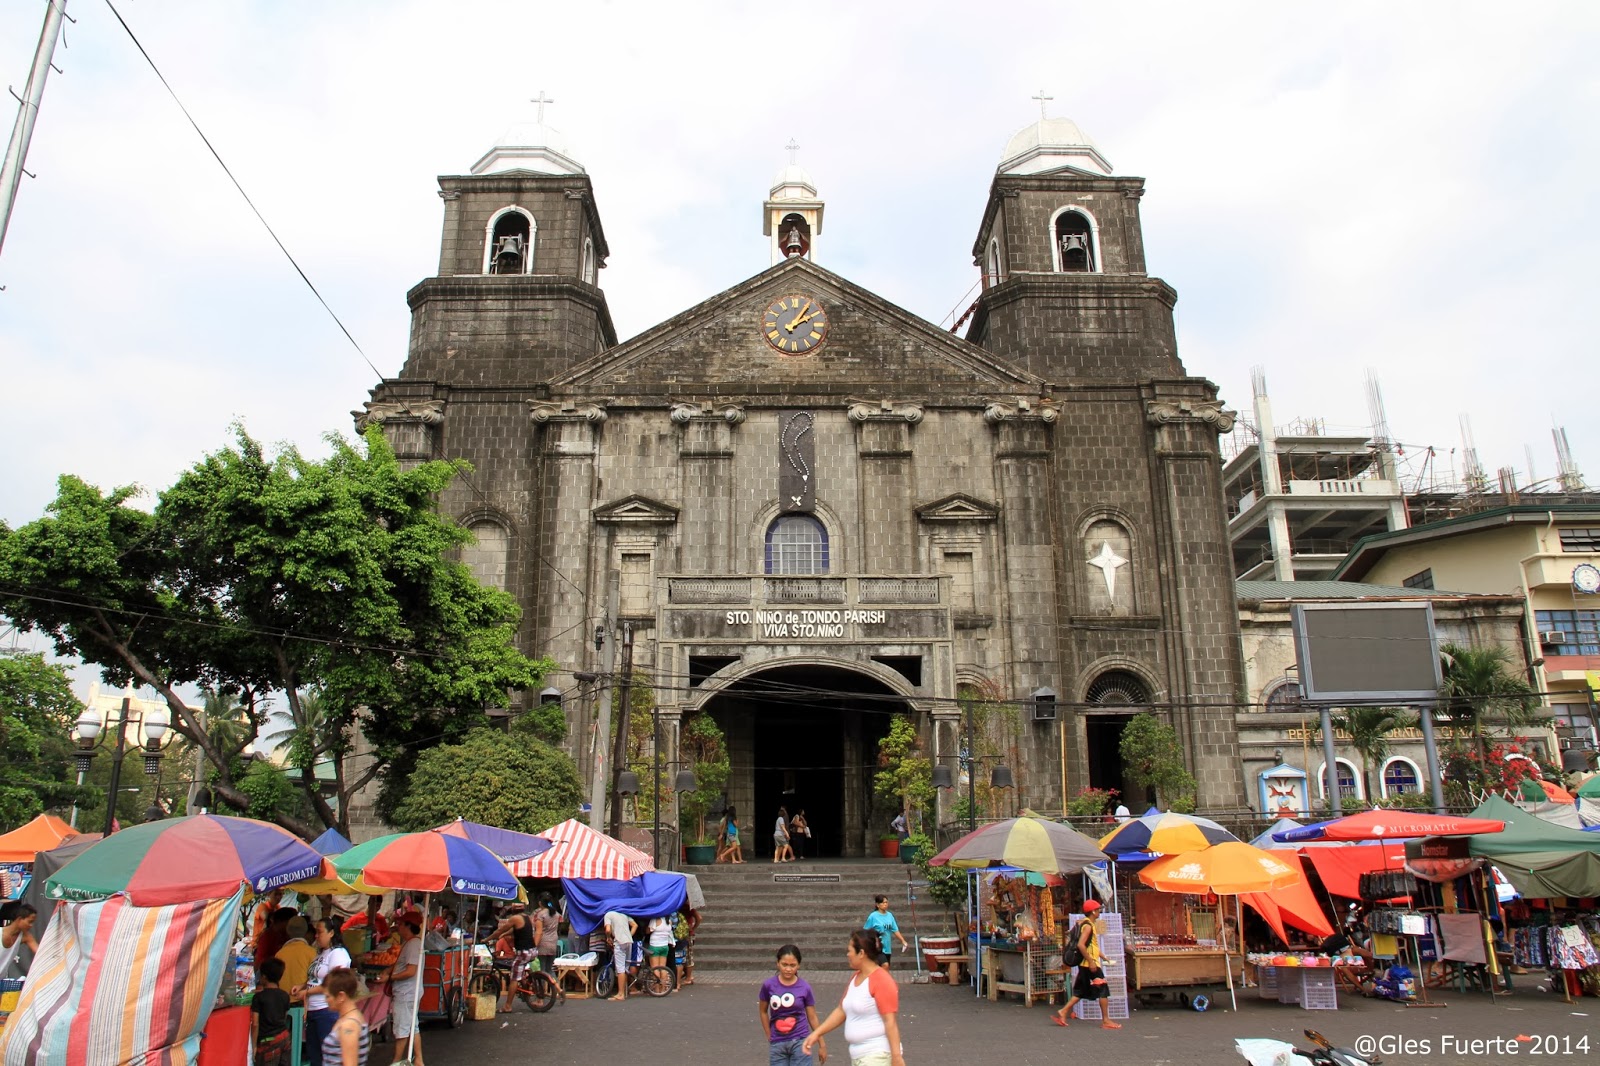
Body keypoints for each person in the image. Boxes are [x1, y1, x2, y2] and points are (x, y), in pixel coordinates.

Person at [802, 930, 902, 1066]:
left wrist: (896, 1058)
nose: (847, 955)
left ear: (861, 953)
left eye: (849, 951)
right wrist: (816, 1034)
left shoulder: (882, 980)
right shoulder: (855, 977)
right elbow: (841, 1010)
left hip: (877, 1055)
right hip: (859, 1056)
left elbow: (890, 1022)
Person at [1053, 899, 1120, 1030]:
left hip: (1086, 964)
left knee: (1080, 991)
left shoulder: (1086, 924)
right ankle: (1106, 1020)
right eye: (1098, 909)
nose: (1099, 911)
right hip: (1090, 965)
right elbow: (1081, 945)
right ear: (1093, 912)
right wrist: (1091, 961)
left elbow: (1091, 946)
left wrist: (1103, 957)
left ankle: (1063, 1011)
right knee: (1103, 990)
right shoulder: (1088, 926)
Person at [295, 918, 353, 1066]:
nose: (316, 936)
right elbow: (316, 978)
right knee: (315, 1056)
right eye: (315, 932)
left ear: (332, 933)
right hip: (313, 1011)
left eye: (320, 932)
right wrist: (302, 986)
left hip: (327, 1011)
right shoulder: (320, 954)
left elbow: (333, 983)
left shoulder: (338, 954)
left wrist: (307, 993)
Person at [760, 943, 824, 1066]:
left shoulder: (804, 987)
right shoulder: (768, 985)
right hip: (777, 1044)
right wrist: (769, 1035)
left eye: (792, 965)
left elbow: (812, 1017)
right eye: (784, 964)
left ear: (798, 965)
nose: (788, 969)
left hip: (800, 1042)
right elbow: (763, 1011)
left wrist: (822, 1044)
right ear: (778, 963)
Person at [384, 920, 424, 1066]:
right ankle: (419, 1060)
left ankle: (396, 1061)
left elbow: (410, 971)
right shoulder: (410, 943)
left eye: (401, 924)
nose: (398, 927)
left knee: (402, 1028)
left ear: (408, 926)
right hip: (410, 992)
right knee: (413, 1026)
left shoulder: (413, 945)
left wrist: (390, 977)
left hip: (406, 993)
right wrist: (389, 971)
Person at [490, 902, 536, 1013]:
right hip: (532, 950)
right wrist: (504, 935)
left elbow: (500, 930)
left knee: (514, 978)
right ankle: (525, 992)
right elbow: (513, 929)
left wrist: (488, 939)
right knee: (519, 971)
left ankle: (507, 1006)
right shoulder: (526, 917)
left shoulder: (515, 918)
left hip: (523, 952)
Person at [321, 967, 370, 1066]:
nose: (325, 1000)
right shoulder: (351, 1016)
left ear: (341, 996)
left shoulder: (349, 1025)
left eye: (328, 996)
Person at [251, 957, 293, 1066]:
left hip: (268, 1041)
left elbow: (255, 1024)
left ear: (264, 976)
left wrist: (254, 1046)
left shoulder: (258, 997)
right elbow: (284, 1016)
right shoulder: (285, 995)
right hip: (284, 1037)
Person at [863, 895, 908, 967]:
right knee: (884, 965)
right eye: (883, 903)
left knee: (886, 968)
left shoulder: (890, 915)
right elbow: (865, 931)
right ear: (877, 905)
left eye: (886, 902)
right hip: (877, 947)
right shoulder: (873, 916)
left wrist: (903, 941)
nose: (885, 904)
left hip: (887, 947)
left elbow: (895, 929)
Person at [602, 909, 637, 1002]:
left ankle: (620, 994)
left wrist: (608, 938)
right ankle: (624, 991)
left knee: (620, 968)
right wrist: (629, 935)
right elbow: (635, 925)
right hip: (629, 941)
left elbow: (608, 929)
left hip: (619, 942)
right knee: (626, 967)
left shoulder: (608, 915)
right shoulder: (624, 914)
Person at [277, 916, 317, 992]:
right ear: (306, 931)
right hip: (303, 998)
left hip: (283, 1000)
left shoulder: (279, 954)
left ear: (287, 931)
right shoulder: (312, 952)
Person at [0, 902, 38, 979]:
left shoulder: (26, 936)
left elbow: (40, 953)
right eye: (29, 921)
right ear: (19, 919)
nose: (31, 925)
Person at [255, 906, 295, 974]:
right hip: (268, 973)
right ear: (282, 921)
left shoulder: (286, 935)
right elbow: (260, 959)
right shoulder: (267, 936)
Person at [533, 896, 561, 977]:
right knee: (550, 969)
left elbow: (539, 932)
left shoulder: (541, 915)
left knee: (541, 970)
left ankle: (542, 989)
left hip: (543, 943)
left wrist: (534, 945)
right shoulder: (556, 914)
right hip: (553, 943)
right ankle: (556, 988)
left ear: (540, 903)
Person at [646, 914, 675, 988]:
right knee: (662, 967)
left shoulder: (655, 919)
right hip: (665, 946)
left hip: (655, 945)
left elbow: (648, 931)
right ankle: (663, 988)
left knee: (655, 967)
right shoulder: (669, 921)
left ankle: (657, 988)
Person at [675, 907, 700, 988]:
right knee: (686, 955)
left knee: (687, 956)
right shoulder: (687, 908)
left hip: (685, 934)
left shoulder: (686, 908)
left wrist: (693, 928)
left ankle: (688, 977)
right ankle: (686, 975)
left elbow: (699, 918)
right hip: (686, 933)